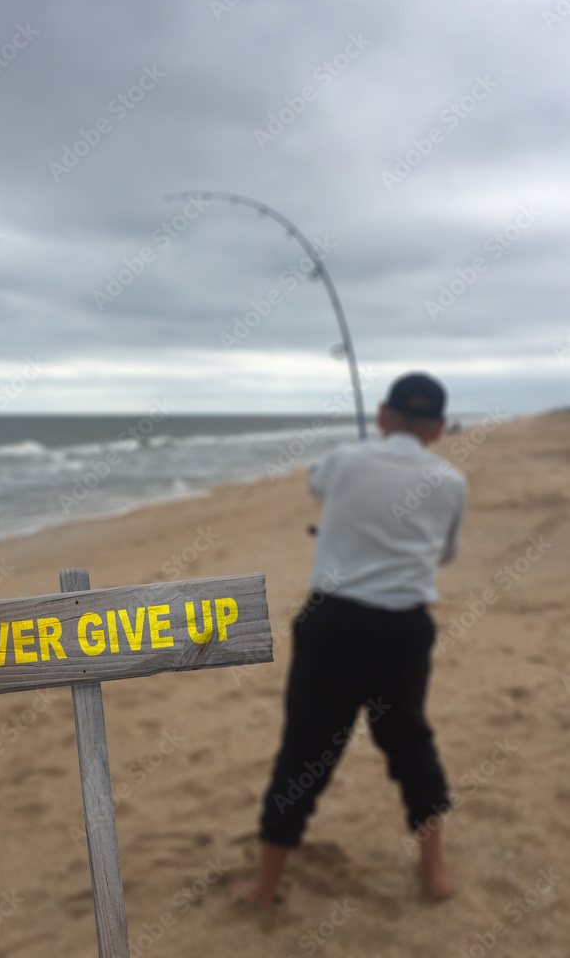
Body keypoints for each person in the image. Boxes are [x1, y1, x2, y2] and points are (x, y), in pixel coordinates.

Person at [231, 372, 467, 906]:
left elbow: (315, 485)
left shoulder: (345, 459)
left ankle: (266, 886)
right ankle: (434, 871)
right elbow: (445, 555)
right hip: (405, 630)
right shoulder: (451, 481)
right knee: (409, 741)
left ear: (383, 416)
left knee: (306, 749)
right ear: (437, 429)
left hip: (333, 626)